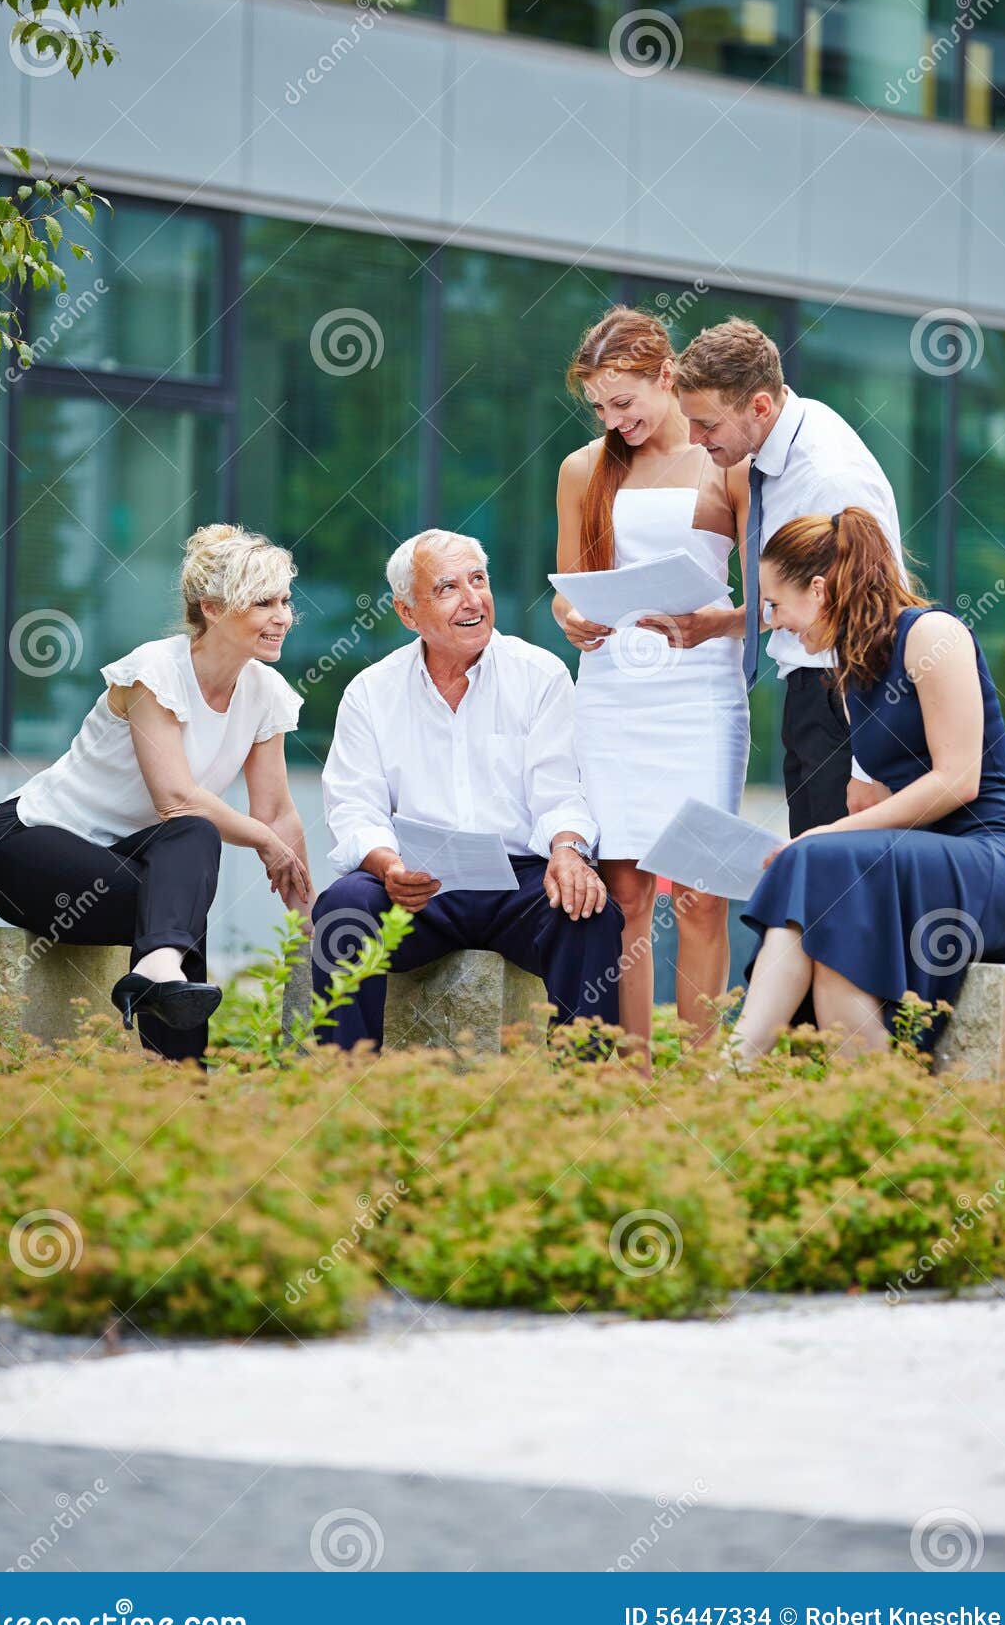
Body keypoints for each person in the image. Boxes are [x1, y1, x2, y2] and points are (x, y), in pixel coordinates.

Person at [0, 525, 312, 1062]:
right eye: (263, 603)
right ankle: (181, 1078)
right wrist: (266, 844)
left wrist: (307, 917)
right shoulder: (154, 672)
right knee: (181, 884)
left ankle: (172, 1052)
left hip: (120, 862)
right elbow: (175, 798)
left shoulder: (264, 691)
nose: (283, 617)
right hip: (24, 845)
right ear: (215, 608)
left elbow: (275, 812)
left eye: (286, 601)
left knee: (182, 881)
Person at [733, 507, 1005, 1062]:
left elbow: (959, 780)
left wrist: (829, 835)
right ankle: (880, 1116)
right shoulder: (852, 671)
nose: (772, 621)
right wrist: (840, 826)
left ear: (819, 590)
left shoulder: (932, 634)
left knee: (818, 859)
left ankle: (733, 1068)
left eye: (775, 603)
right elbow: (879, 802)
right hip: (919, 858)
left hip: (993, 858)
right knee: (832, 942)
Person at [312, 528, 625, 1052]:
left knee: (588, 909)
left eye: (478, 580)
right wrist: (388, 867)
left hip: (518, 883)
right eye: (447, 588)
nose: (472, 599)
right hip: (415, 884)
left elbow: (559, 787)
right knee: (344, 906)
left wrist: (569, 851)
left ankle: (582, 1099)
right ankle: (343, 1087)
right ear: (408, 614)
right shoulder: (370, 692)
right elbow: (353, 808)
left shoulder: (540, 674)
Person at [554, 305, 750, 1062]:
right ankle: (629, 1076)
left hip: (700, 693)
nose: (613, 419)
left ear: (667, 377)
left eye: (624, 402)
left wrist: (715, 623)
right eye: (599, 406)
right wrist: (572, 616)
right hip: (612, 691)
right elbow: (566, 587)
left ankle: (697, 1073)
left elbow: (764, 598)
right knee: (625, 893)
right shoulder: (584, 469)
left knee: (701, 893)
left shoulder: (723, 463)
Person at [675, 316, 904, 836]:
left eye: (706, 425)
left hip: (844, 702)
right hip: (812, 695)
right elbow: (808, 596)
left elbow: (876, 621)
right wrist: (721, 624)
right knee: (814, 880)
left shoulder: (828, 477)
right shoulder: (790, 430)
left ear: (760, 405)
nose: (693, 439)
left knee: (836, 893)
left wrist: (865, 766)